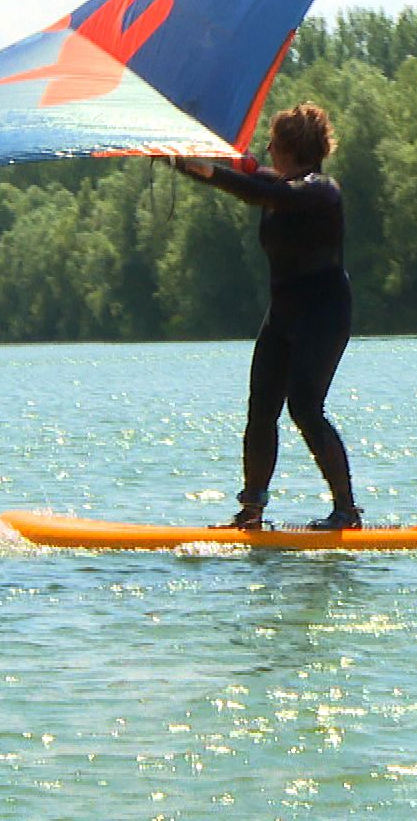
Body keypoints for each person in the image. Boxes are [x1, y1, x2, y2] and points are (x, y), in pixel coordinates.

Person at [174, 103, 360, 530]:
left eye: (273, 142)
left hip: (324, 313)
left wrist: (212, 173)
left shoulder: (320, 190)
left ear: (291, 147)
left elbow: (264, 192)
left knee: (305, 407)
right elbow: (247, 175)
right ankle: (251, 511)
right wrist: (171, 157)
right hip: (283, 315)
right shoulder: (278, 183)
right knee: (261, 411)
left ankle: (347, 511)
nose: (268, 148)